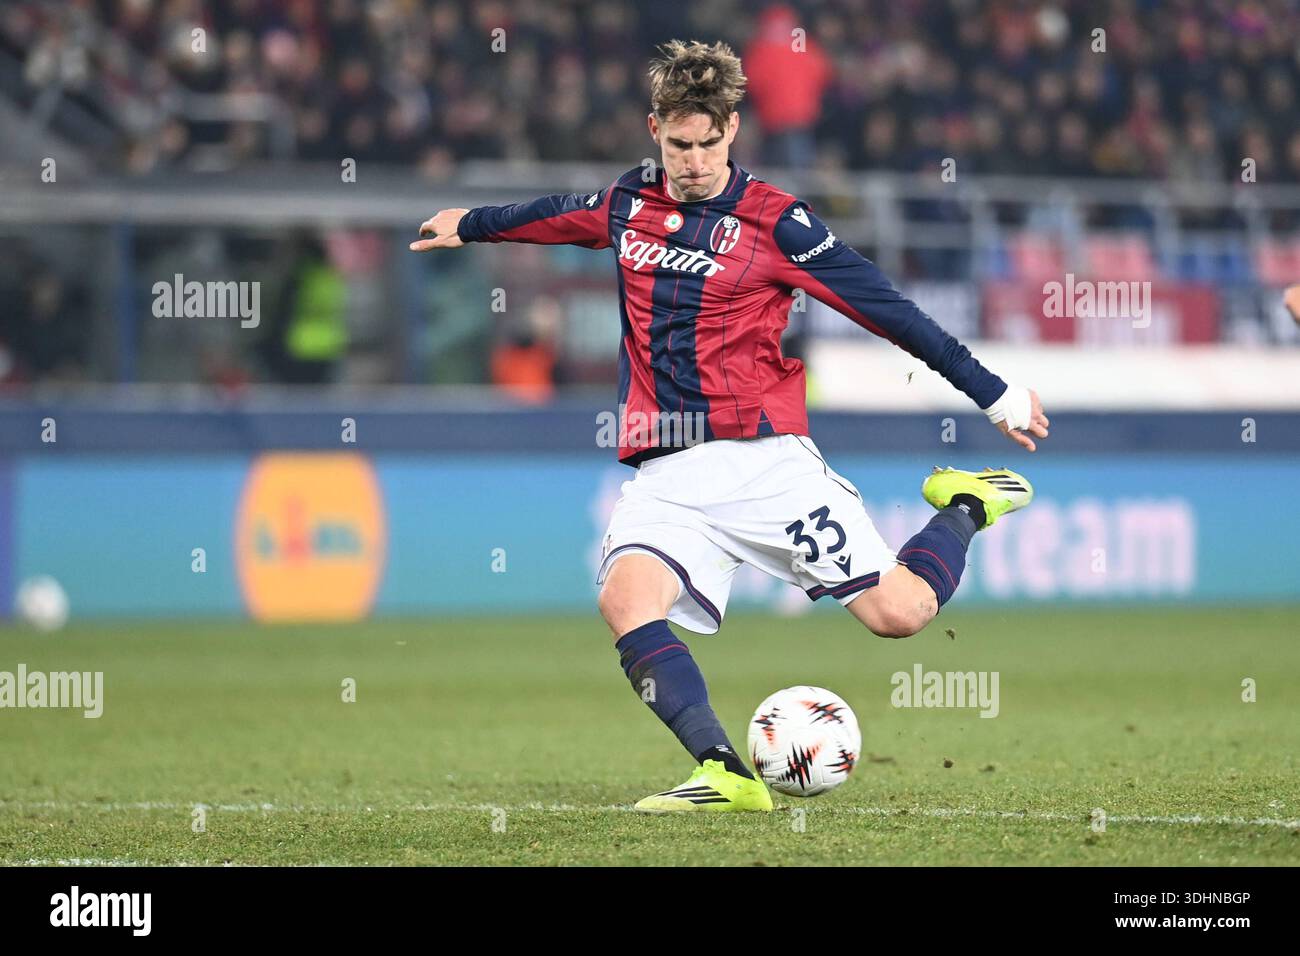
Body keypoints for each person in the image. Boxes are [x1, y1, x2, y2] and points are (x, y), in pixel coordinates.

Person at [410, 40, 1049, 812]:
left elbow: (891, 311)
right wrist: (474, 224)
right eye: (678, 144)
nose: (693, 160)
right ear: (655, 131)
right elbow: (554, 214)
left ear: (733, 130)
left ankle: (969, 502)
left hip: (763, 463)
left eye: (708, 143)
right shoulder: (628, 203)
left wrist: (995, 393)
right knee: (624, 602)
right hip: (667, 473)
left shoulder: (780, 224)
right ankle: (725, 773)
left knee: (900, 615)